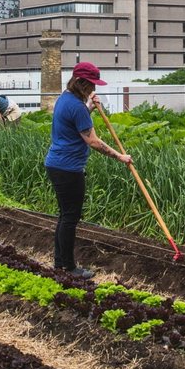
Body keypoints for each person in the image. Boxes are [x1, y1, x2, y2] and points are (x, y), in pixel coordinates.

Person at [43, 62, 130, 277]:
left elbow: (76, 122)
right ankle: (69, 267)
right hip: (68, 168)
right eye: (91, 84)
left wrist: (89, 108)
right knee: (70, 217)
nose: (94, 88)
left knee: (65, 216)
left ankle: (60, 264)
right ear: (81, 83)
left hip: (56, 164)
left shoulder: (65, 98)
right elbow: (93, 141)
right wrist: (120, 156)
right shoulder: (77, 106)